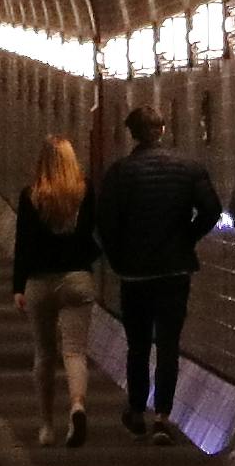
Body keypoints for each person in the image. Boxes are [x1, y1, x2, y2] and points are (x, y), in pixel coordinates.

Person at [87, 103, 227, 439]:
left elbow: (104, 222)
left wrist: (118, 259)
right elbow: (212, 210)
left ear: (132, 134)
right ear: (162, 130)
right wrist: (186, 239)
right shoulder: (189, 169)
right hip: (175, 272)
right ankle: (163, 416)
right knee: (168, 344)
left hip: (135, 275)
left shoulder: (120, 173)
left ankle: (136, 409)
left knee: (137, 344)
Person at [8, 134, 104, 444]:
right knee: (75, 351)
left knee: (44, 354)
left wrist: (18, 286)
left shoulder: (31, 196)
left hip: (39, 280)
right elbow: (95, 232)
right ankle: (77, 406)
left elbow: (22, 244)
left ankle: (47, 426)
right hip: (77, 278)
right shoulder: (85, 192)